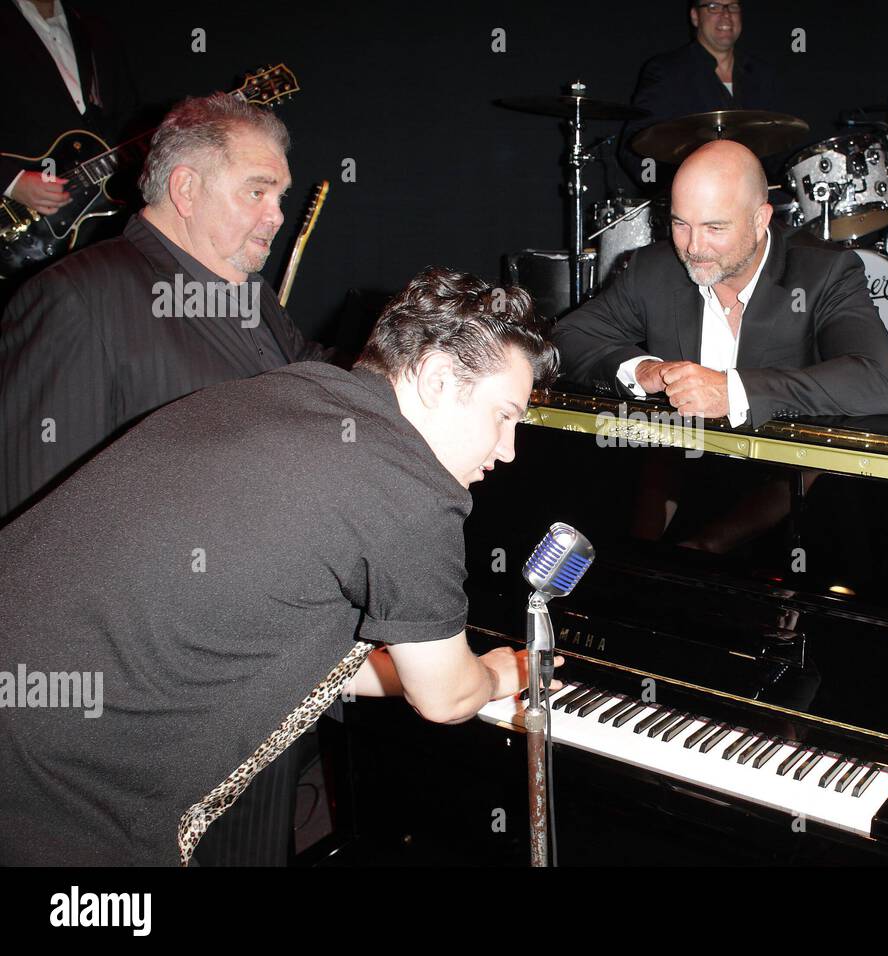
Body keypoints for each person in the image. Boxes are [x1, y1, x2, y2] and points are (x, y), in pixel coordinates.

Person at [0, 266, 561, 866]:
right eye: (504, 416)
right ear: (440, 379)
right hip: (58, 791)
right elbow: (447, 698)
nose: (507, 450)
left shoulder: (287, 393)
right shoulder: (409, 485)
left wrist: (417, 665)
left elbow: (315, 658)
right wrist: (507, 671)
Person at [0, 92, 332, 524]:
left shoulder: (250, 289)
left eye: (280, 198)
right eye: (257, 192)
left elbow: (308, 370)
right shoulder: (76, 298)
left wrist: (407, 358)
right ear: (186, 189)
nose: (277, 216)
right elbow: (32, 523)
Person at [553, 139, 888, 428]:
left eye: (714, 228)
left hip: (783, 477)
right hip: (679, 469)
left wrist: (733, 391)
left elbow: (874, 382)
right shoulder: (655, 268)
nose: (693, 247)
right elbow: (566, 338)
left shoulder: (823, 272)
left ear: (760, 219)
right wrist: (642, 370)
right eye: (680, 224)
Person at [0, 0, 140, 266]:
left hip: (101, 221)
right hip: (19, 222)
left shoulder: (95, 29)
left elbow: (128, 116)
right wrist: (13, 182)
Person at [617, 1, 782, 188]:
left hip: (753, 198)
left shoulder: (761, 74)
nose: (726, 14)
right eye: (714, 6)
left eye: (732, 6)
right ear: (695, 16)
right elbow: (636, 145)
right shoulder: (667, 71)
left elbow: (778, 143)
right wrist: (672, 193)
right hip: (696, 198)